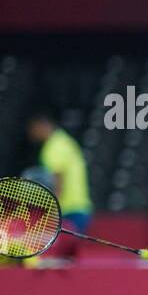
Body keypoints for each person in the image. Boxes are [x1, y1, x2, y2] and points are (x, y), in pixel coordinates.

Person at [26, 109, 91, 259]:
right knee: (67, 260)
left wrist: (53, 212)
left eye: (32, 129)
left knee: (56, 260)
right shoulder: (65, 141)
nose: (31, 134)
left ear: (41, 125)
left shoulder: (54, 146)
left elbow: (58, 179)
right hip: (79, 208)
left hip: (69, 211)